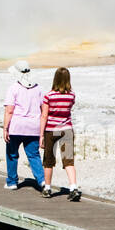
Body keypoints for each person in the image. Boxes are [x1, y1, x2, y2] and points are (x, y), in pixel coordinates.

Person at [3, 60, 45, 191]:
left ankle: (12, 182)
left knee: (12, 154)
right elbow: (44, 109)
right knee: (33, 155)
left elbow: (9, 110)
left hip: (16, 126)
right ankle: (42, 180)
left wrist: (5, 128)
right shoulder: (38, 88)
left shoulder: (13, 88)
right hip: (34, 127)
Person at [40, 67, 80, 200]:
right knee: (68, 160)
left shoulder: (49, 96)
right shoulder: (71, 95)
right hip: (67, 129)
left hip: (51, 130)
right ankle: (73, 187)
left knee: (48, 160)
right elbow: (69, 109)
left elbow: (44, 116)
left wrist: (41, 135)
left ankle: (47, 188)